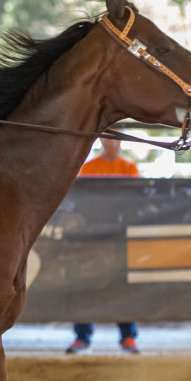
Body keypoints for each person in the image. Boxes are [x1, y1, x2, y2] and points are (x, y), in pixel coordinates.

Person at [65, 138, 140, 355]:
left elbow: (136, 202)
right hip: (90, 238)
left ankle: (128, 336)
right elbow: (79, 204)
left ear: (121, 142)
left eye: (115, 138)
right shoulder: (88, 168)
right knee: (84, 284)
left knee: (121, 286)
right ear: (101, 140)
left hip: (119, 238)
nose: (112, 143)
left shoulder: (129, 168)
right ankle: (82, 336)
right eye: (108, 137)